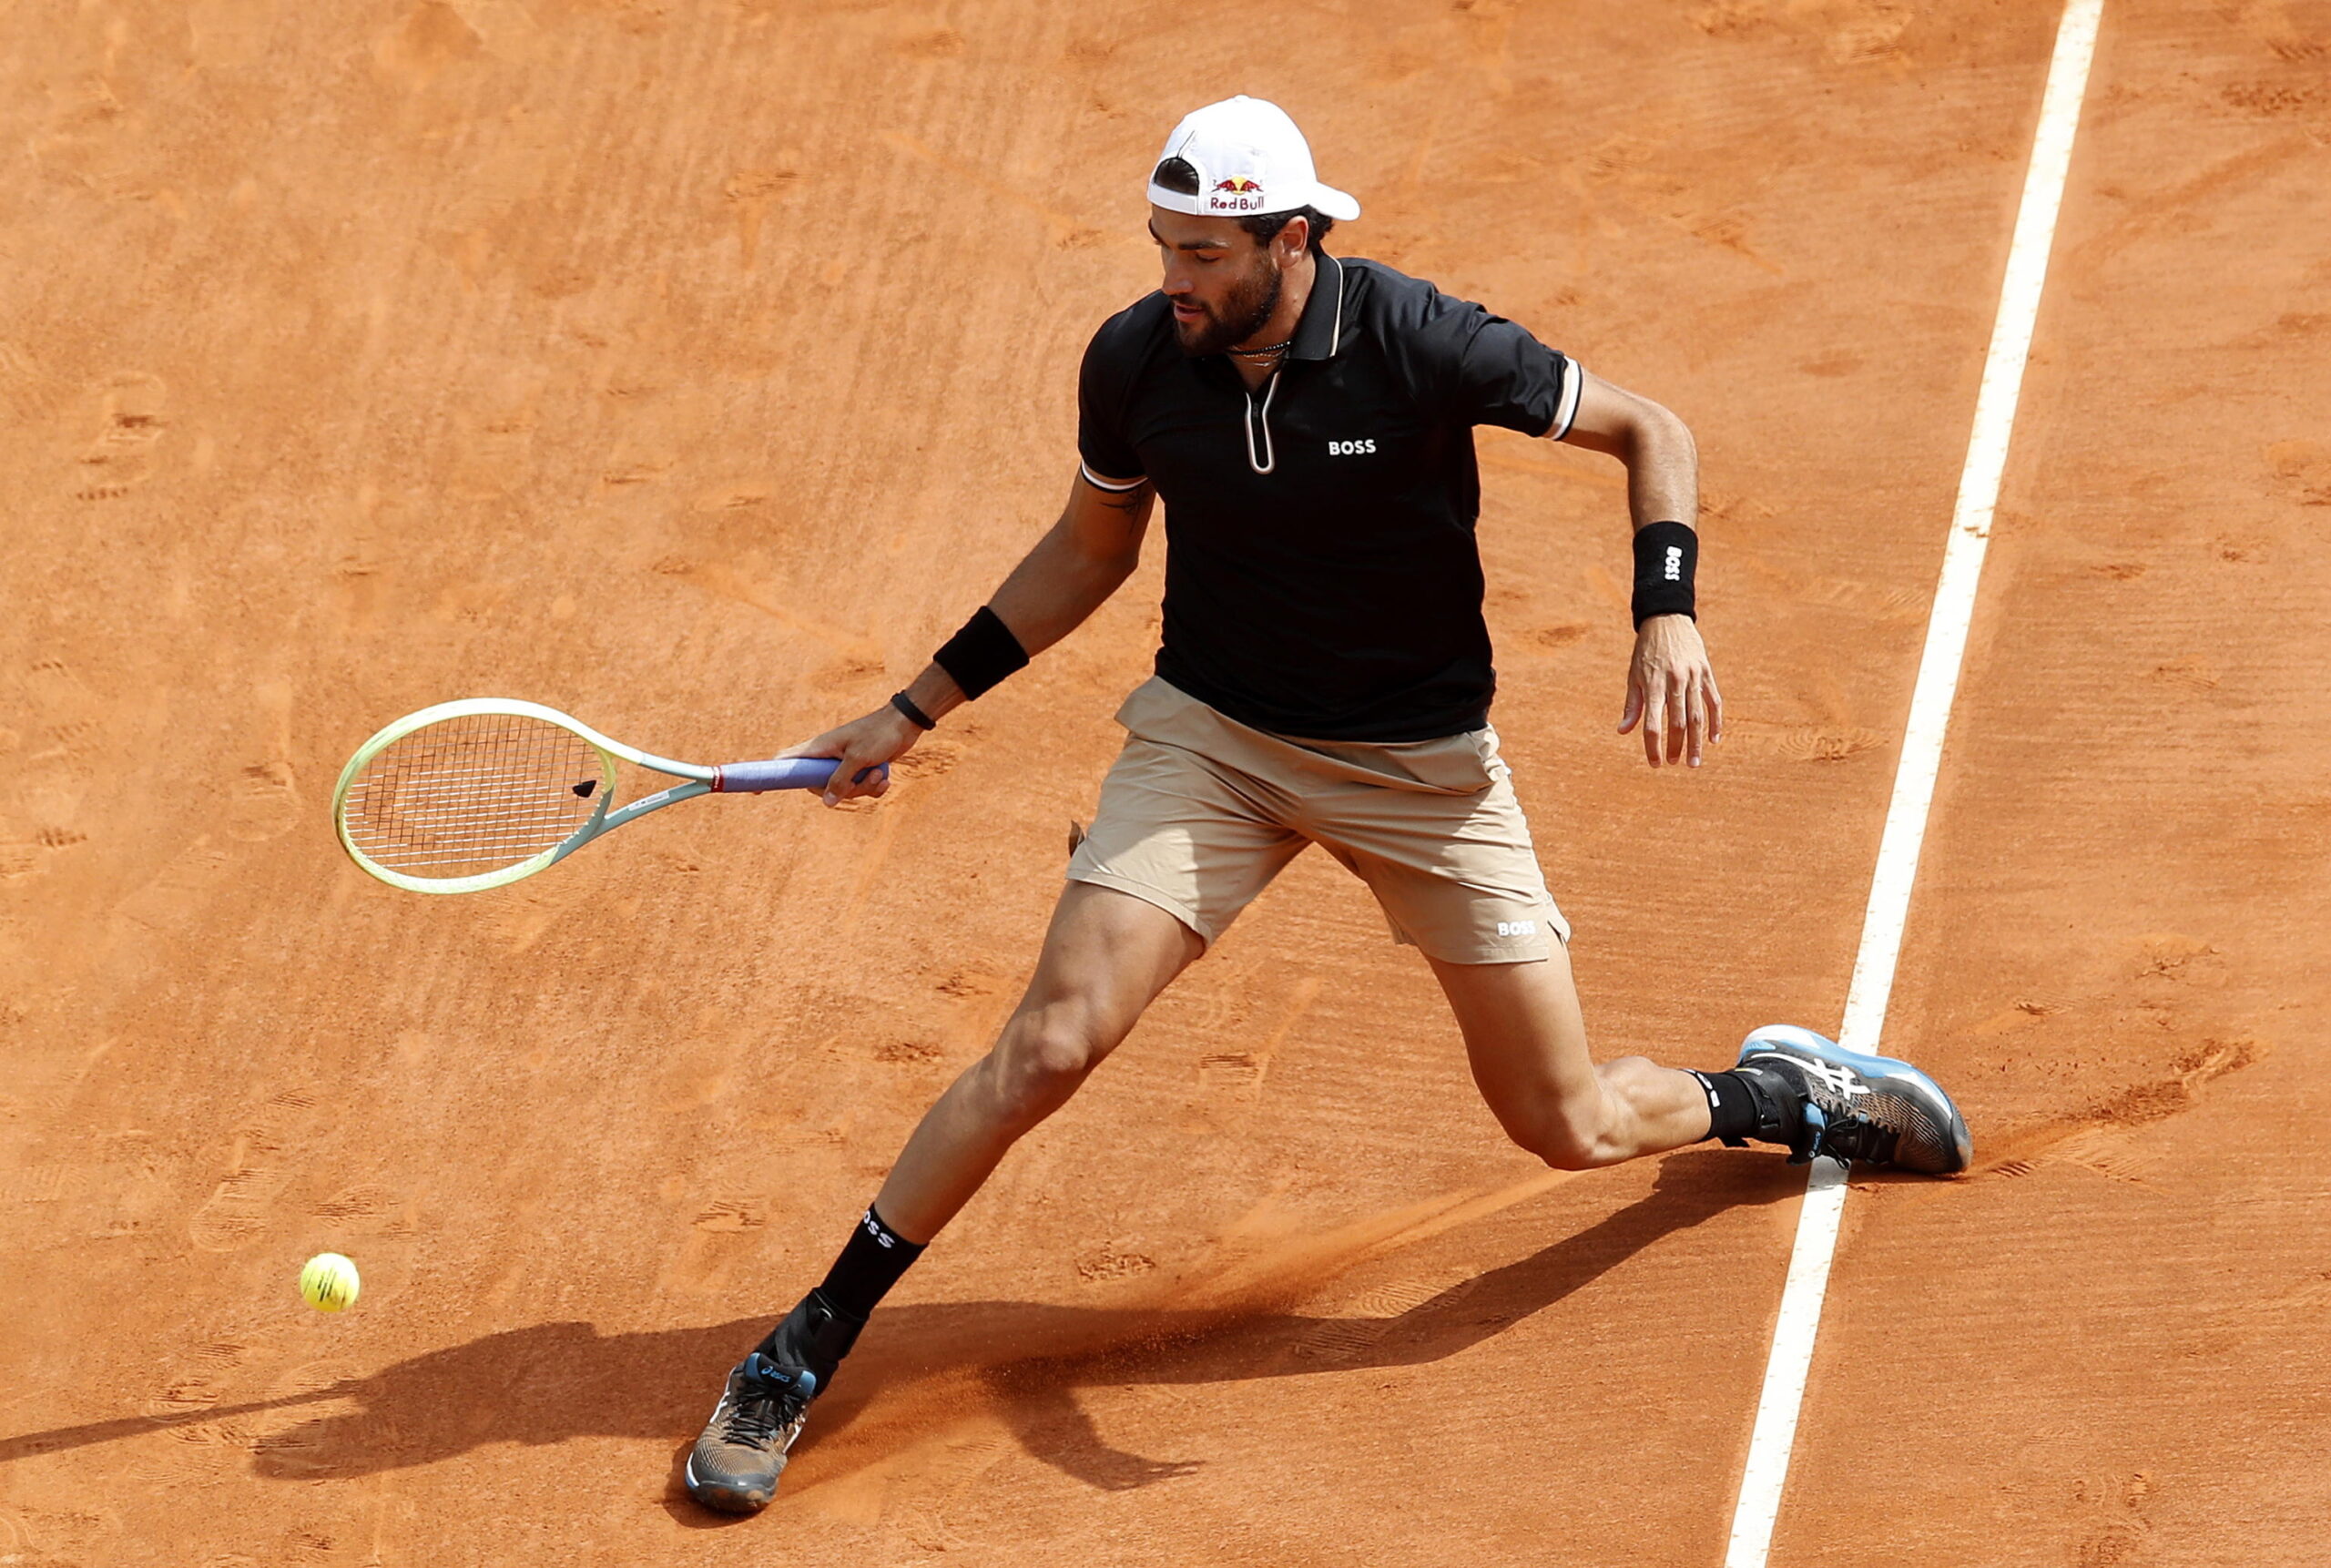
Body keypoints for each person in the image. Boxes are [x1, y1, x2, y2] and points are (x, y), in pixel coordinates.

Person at [682, 95, 1970, 1515]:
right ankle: (805, 1341)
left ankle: (1775, 1091)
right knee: (1048, 1044)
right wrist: (913, 707)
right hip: (1215, 743)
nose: (1173, 280)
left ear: (1294, 240)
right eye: (1164, 245)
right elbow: (1088, 547)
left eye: (1207, 255)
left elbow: (1646, 426)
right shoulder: (1136, 359)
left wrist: (1666, 610)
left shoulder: (1418, 338)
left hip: (1421, 769)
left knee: (1569, 1123)